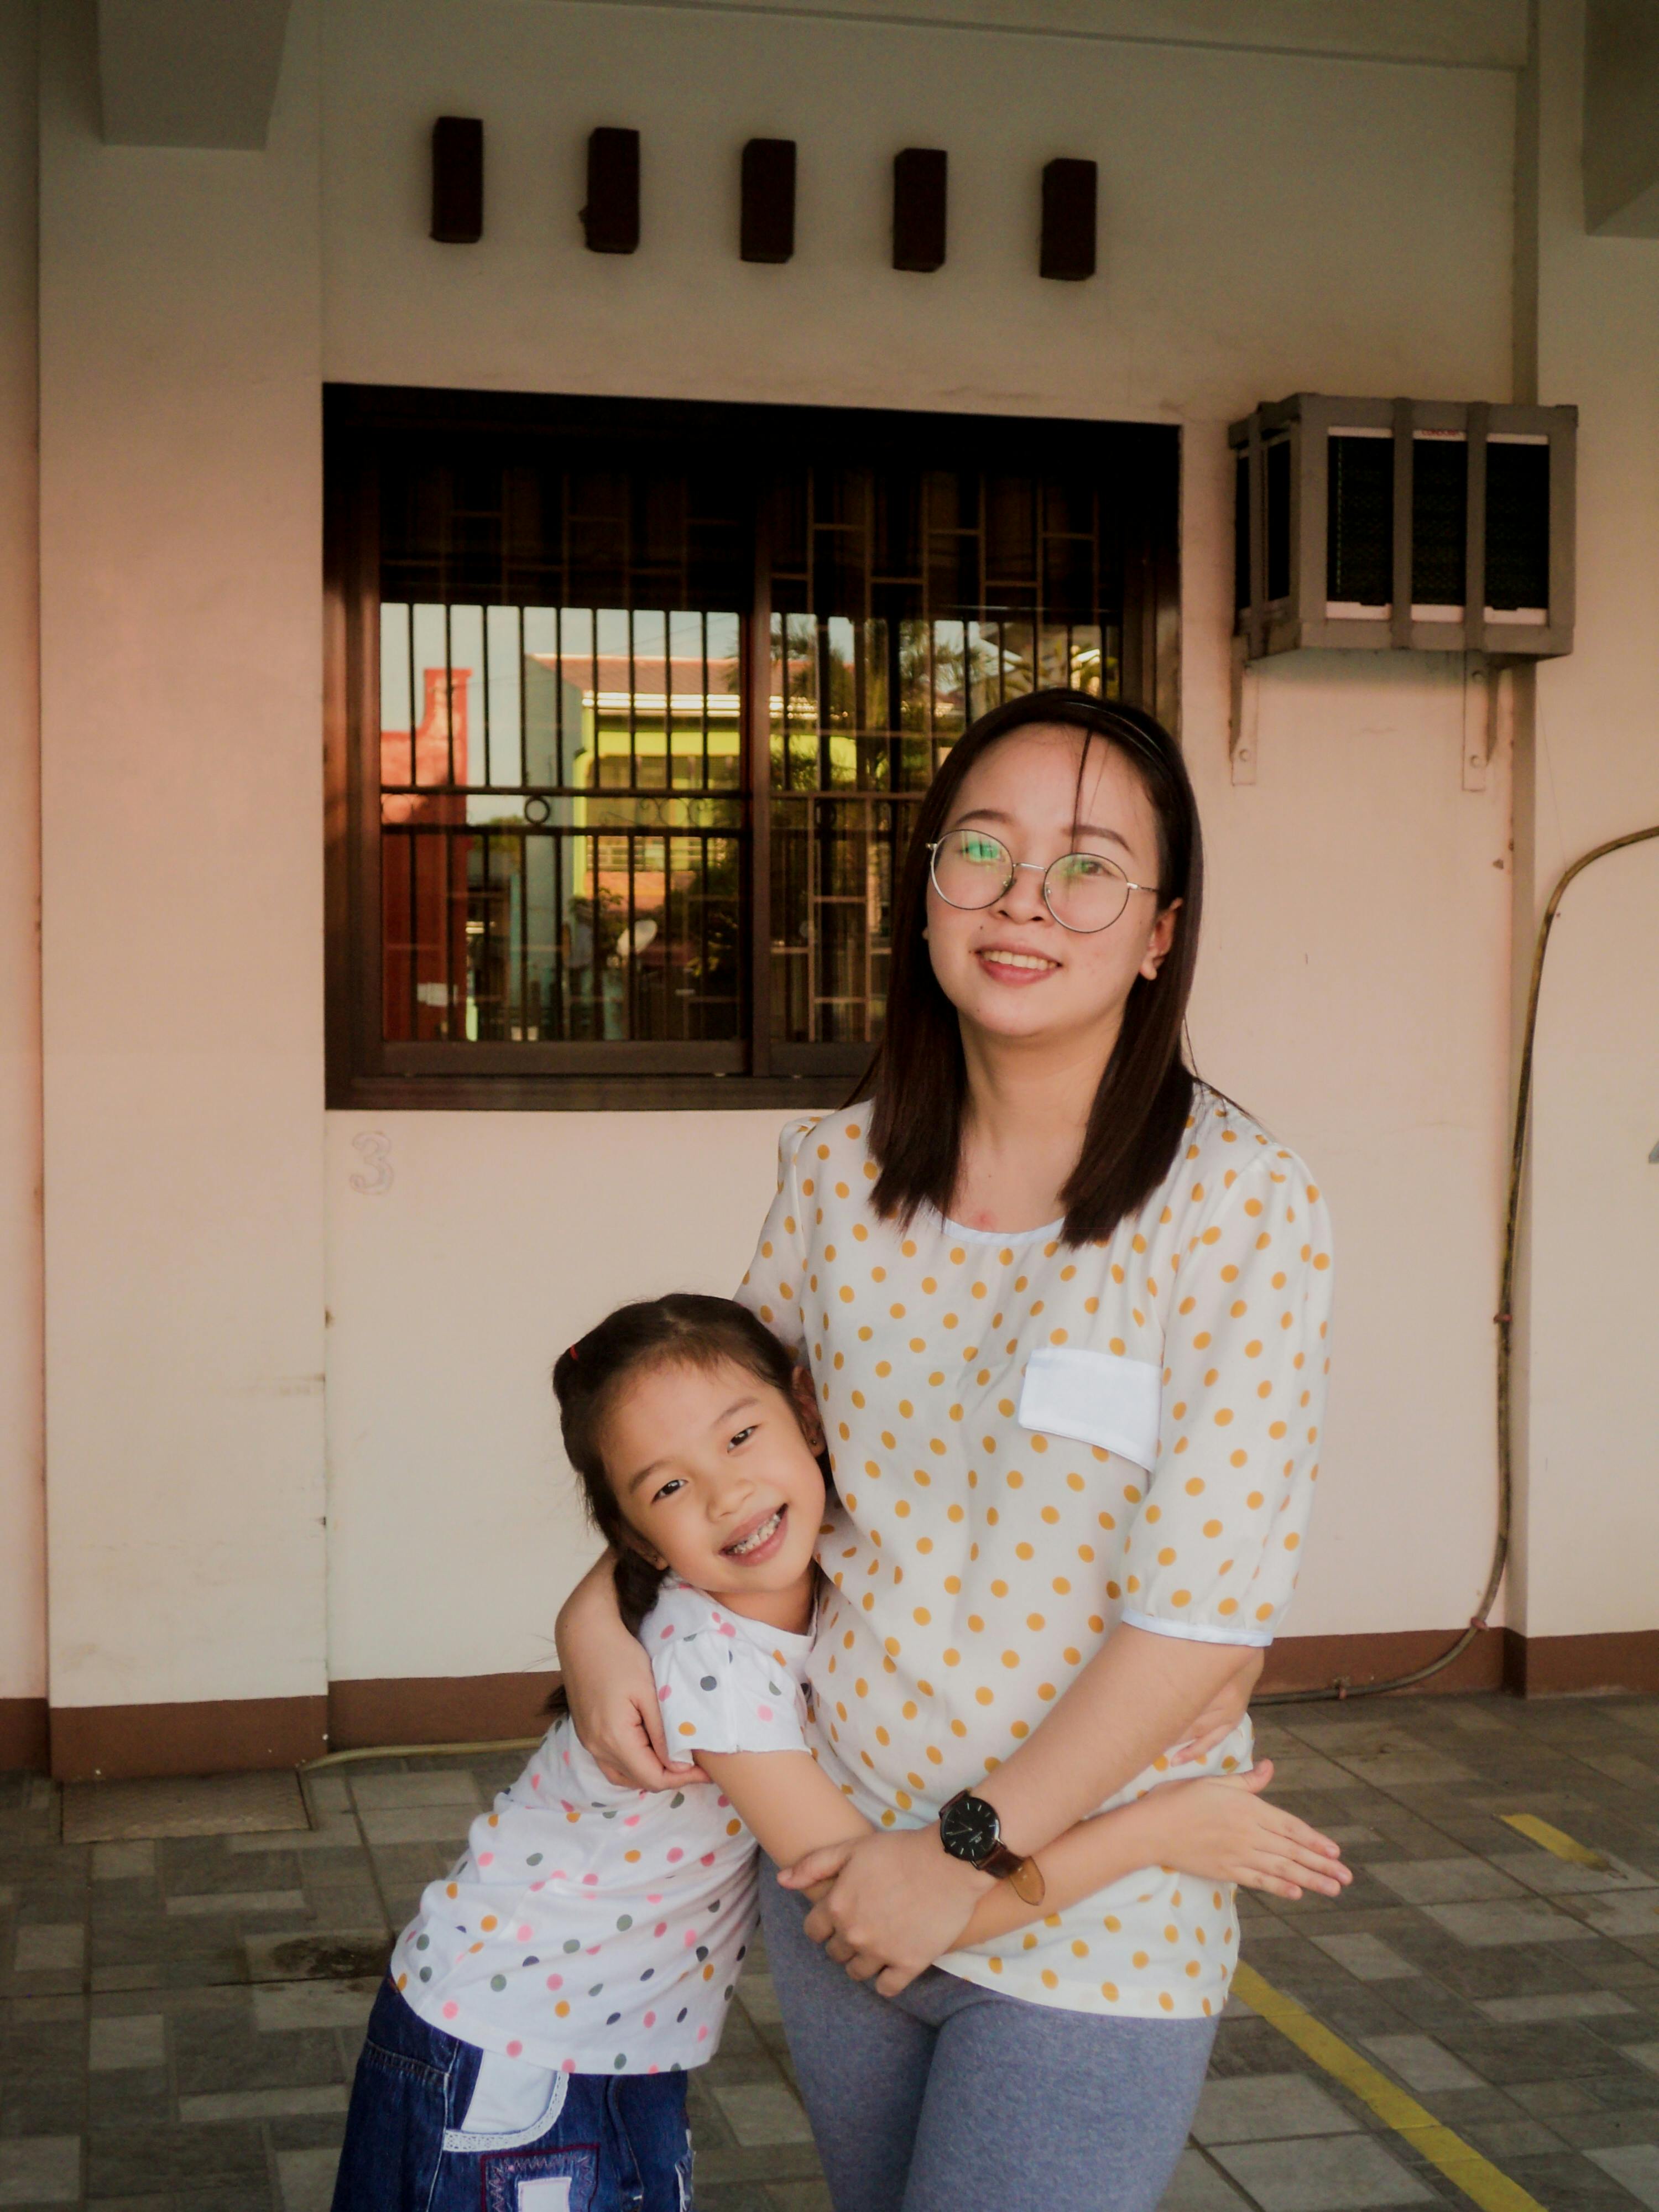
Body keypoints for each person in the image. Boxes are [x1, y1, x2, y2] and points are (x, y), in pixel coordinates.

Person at [555, 690, 1336, 2211]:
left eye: (1091, 864)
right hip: (840, 1868)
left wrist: (962, 1854)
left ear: (1162, 929)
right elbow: (730, 1465)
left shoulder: (1238, 1207)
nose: (1027, 898)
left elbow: (1199, 1620)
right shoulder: (838, 1175)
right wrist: (593, 1618)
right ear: (924, 887)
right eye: (983, 847)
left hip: (1090, 1911)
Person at [332, 1291, 1343, 2211]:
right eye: (672, 1487)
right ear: (636, 1540)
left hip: (576, 2049)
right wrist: (1162, 1827)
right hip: (515, 2066)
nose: (729, 1495)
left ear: (810, 1419)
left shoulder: (824, 1568)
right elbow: (917, 1909)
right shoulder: (711, 1673)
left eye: (741, 1437)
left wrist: (1231, 1638)